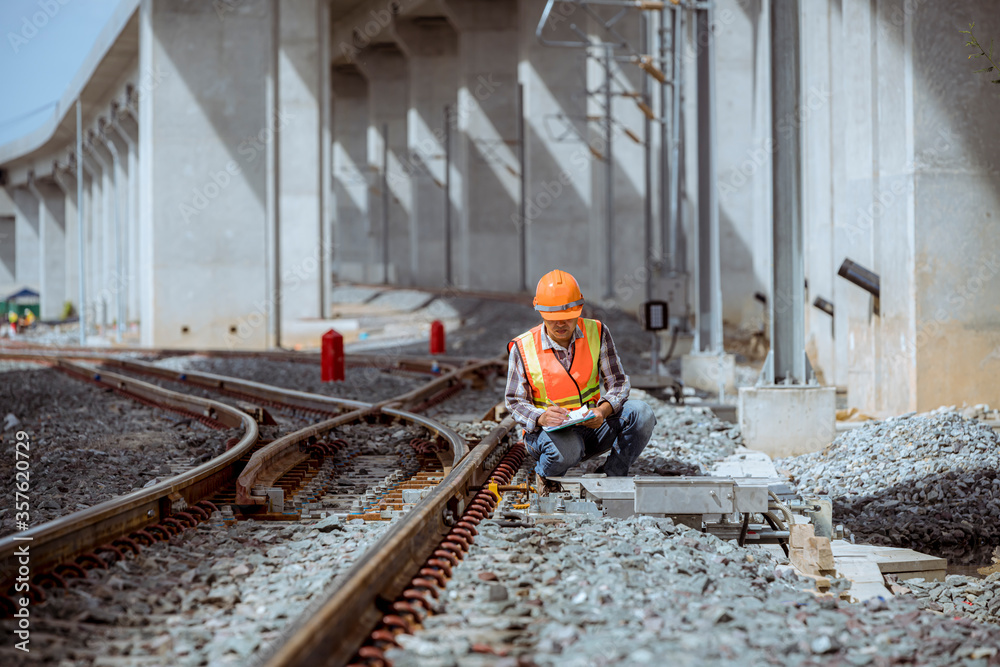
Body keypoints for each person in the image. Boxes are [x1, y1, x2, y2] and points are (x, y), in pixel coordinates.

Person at [505, 269, 657, 496]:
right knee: (567, 451)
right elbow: (515, 401)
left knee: (642, 413)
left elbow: (618, 382)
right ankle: (545, 475)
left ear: (579, 310)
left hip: (592, 426)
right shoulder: (523, 347)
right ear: (541, 312)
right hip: (550, 434)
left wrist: (603, 411)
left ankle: (613, 475)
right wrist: (541, 417)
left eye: (567, 317)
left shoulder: (597, 332)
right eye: (553, 319)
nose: (560, 325)